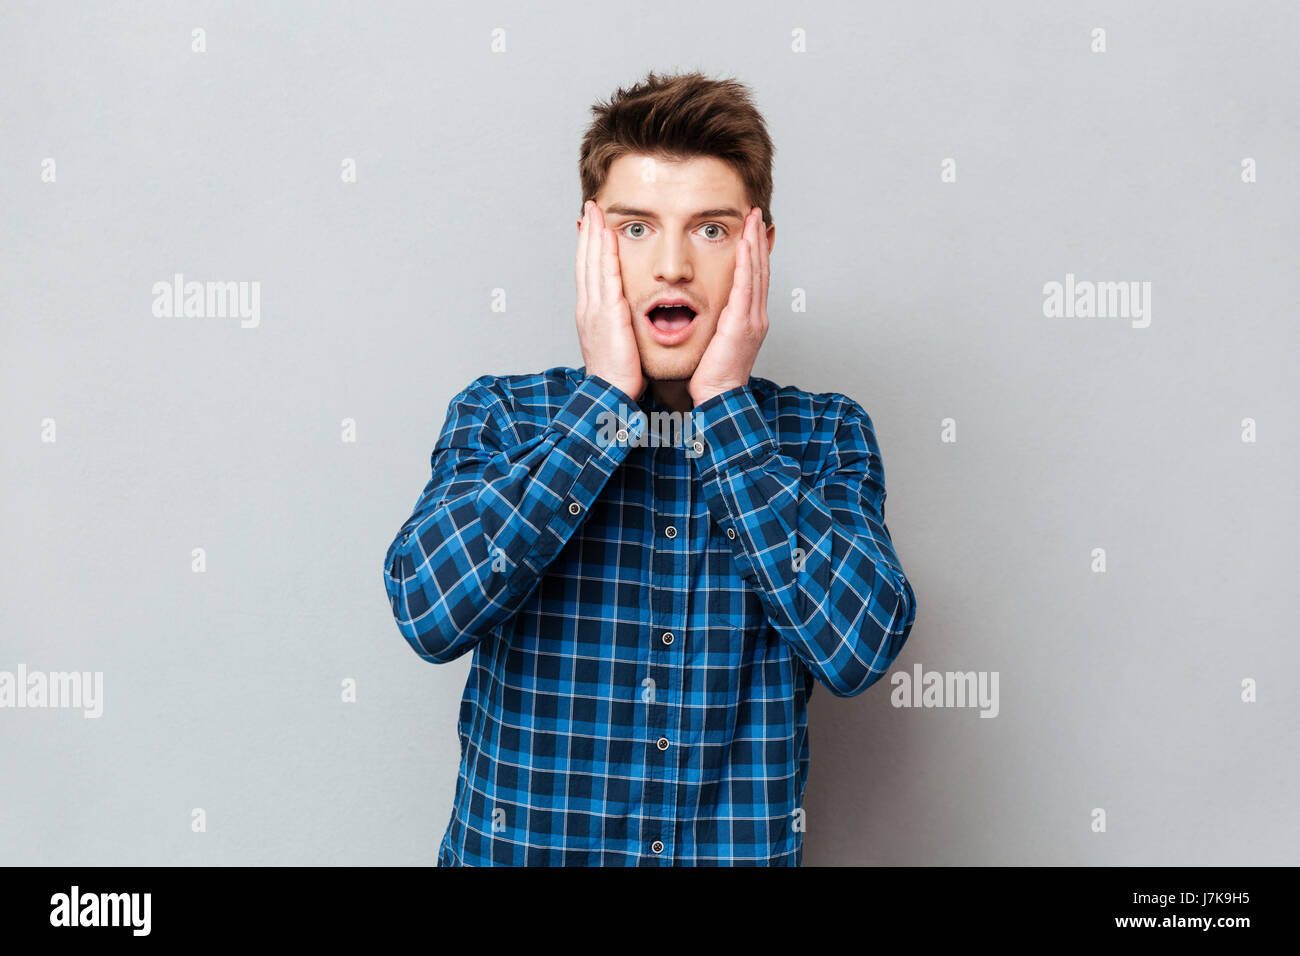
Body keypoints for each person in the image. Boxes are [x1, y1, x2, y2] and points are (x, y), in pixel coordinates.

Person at [382, 69, 917, 866]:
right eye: (637, 229)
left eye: (711, 229)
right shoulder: (502, 416)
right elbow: (429, 613)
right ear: (591, 245)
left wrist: (726, 405)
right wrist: (602, 404)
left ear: (759, 245)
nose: (672, 266)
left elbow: (859, 649)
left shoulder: (823, 434)